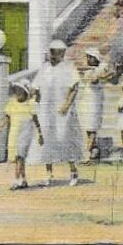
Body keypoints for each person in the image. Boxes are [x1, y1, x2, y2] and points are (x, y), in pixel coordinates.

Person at [28, 39, 83, 186]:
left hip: (63, 111)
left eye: (56, 52)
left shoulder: (69, 68)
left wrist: (66, 105)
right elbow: (35, 87)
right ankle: (49, 174)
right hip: (46, 110)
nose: (53, 55)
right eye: (51, 52)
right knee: (47, 140)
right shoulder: (44, 68)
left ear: (62, 53)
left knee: (65, 138)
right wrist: (31, 92)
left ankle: (73, 172)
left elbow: (74, 88)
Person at [0, 80, 43, 190]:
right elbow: (6, 118)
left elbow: (36, 121)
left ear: (25, 93)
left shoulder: (30, 105)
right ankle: (23, 180)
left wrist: (40, 134)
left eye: (20, 91)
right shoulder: (12, 103)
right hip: (13, 135)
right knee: (18, 159)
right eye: (16, 90)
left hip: (25, 135)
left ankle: (16, 180)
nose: (18, 93)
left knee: (19, 157)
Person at [80, 50, 113, 161]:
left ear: (96, 58)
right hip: (88, 101)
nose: (88, 59)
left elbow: (95, 79)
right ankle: (94, 149)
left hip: (94, 102)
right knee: (88, 128)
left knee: (92, 127)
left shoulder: (101, 68)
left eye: (91, 57)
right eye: (87, 57)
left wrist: (100, 74)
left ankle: (87, 153)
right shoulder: (91, 71)